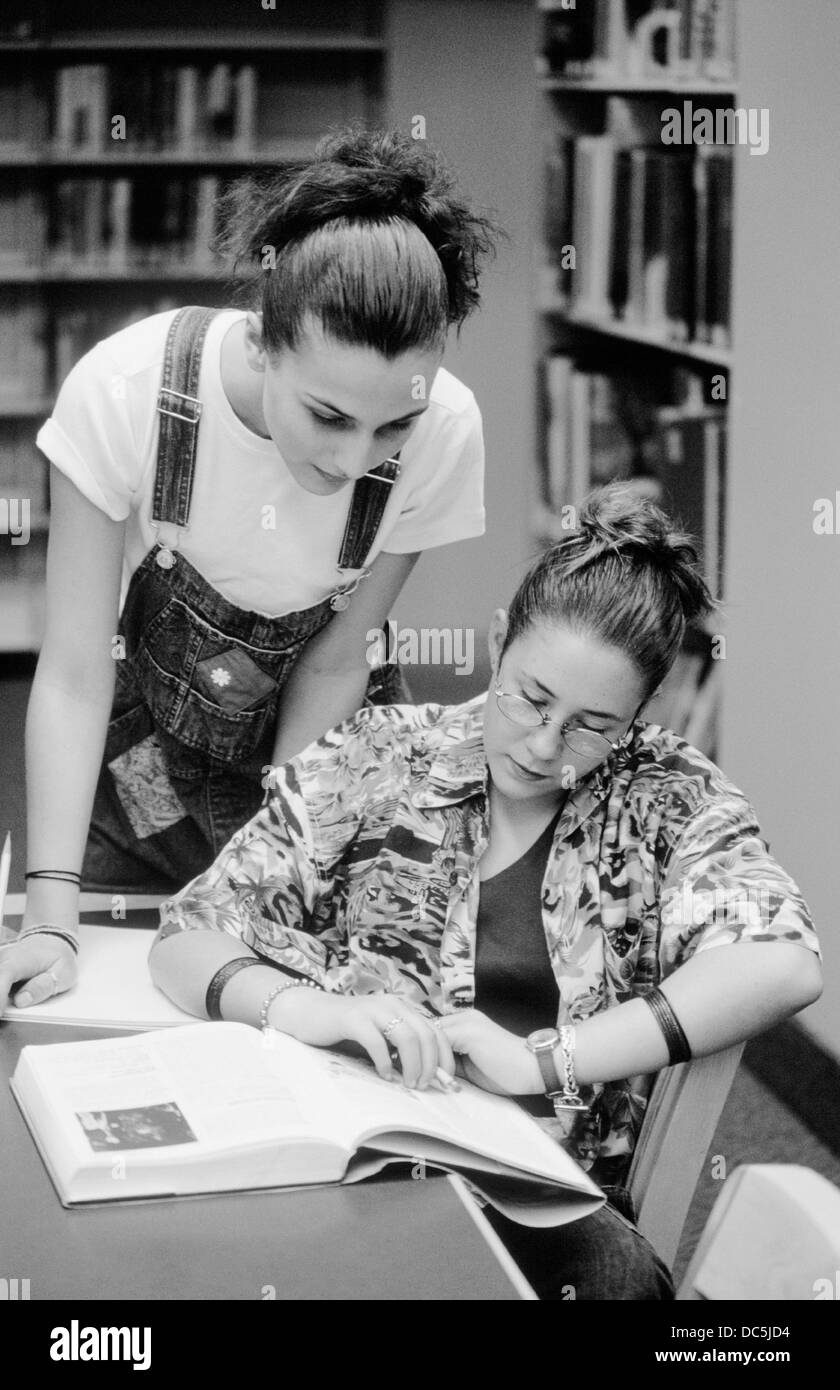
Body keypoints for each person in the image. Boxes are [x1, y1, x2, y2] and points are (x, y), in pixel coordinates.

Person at [142, 483, 821, 1299]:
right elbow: (186, 937)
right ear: (499, 643)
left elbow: (782, 964)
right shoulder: (382, 757)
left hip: (540, 1187)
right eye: (531, 697)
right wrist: (308, 1010)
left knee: (619, 1284)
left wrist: (543, 1060)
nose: (542, 745)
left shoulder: (668, 800)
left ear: (642, 713)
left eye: (591, 725)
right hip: (361, 1151)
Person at [4, 127, 497, 1011]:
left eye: (393, 428)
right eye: (329, 415)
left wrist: (278, 874)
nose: (356, 461)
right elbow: (75, 670)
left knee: (309, 1027)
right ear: (265, 338)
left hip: (317, 769)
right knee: (99, 1010)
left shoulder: (449, 431)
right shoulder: (124, 391)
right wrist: (48, 913)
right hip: (143, 767)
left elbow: (337, 660)